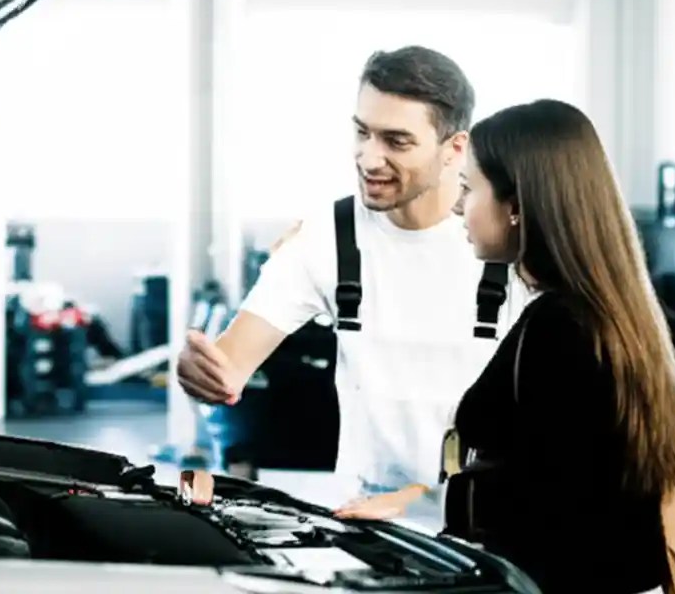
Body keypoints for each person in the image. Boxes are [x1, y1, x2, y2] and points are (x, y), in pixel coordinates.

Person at [177, 45, 529, 518]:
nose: (369, 158)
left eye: (396, 141)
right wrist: (202, 373)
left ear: (455, 148)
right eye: (362, 132)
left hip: (485, 524)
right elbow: (230, 363)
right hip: (365, 525)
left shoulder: (502, 241)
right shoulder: (328, 236)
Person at [448, 99, 675, 593]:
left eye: (468, 188)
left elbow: (553, 515)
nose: (456, 205)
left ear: (516, 206)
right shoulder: (613, 314)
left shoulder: (558, 327)